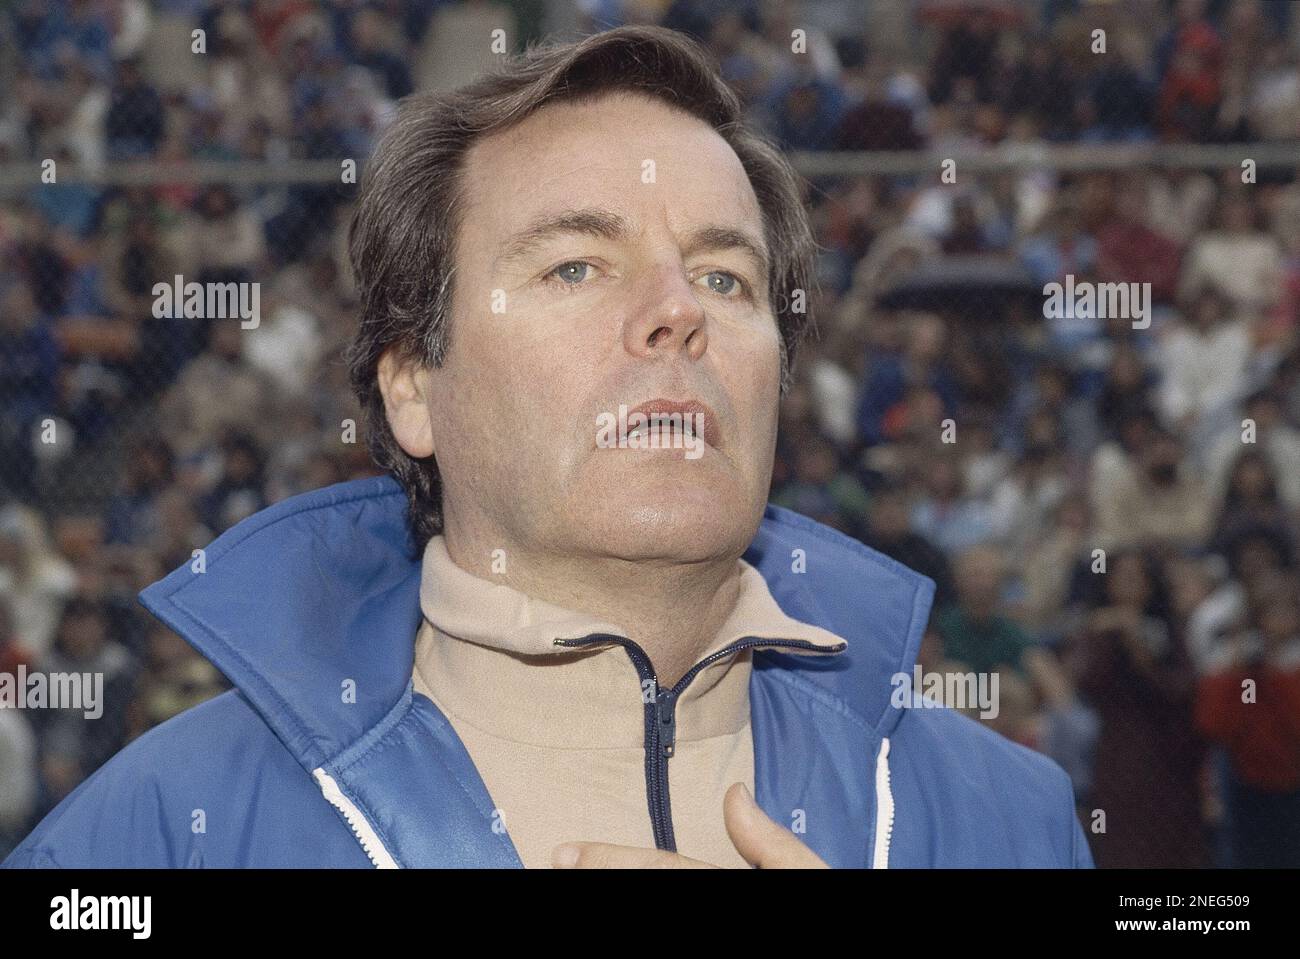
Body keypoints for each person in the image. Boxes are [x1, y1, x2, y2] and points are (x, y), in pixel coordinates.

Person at [3, 26, 1091, 869]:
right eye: (575, 265)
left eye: (725, 276)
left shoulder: (1007, 815)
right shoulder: (153, 834)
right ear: (413, 386)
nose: (679, 312)